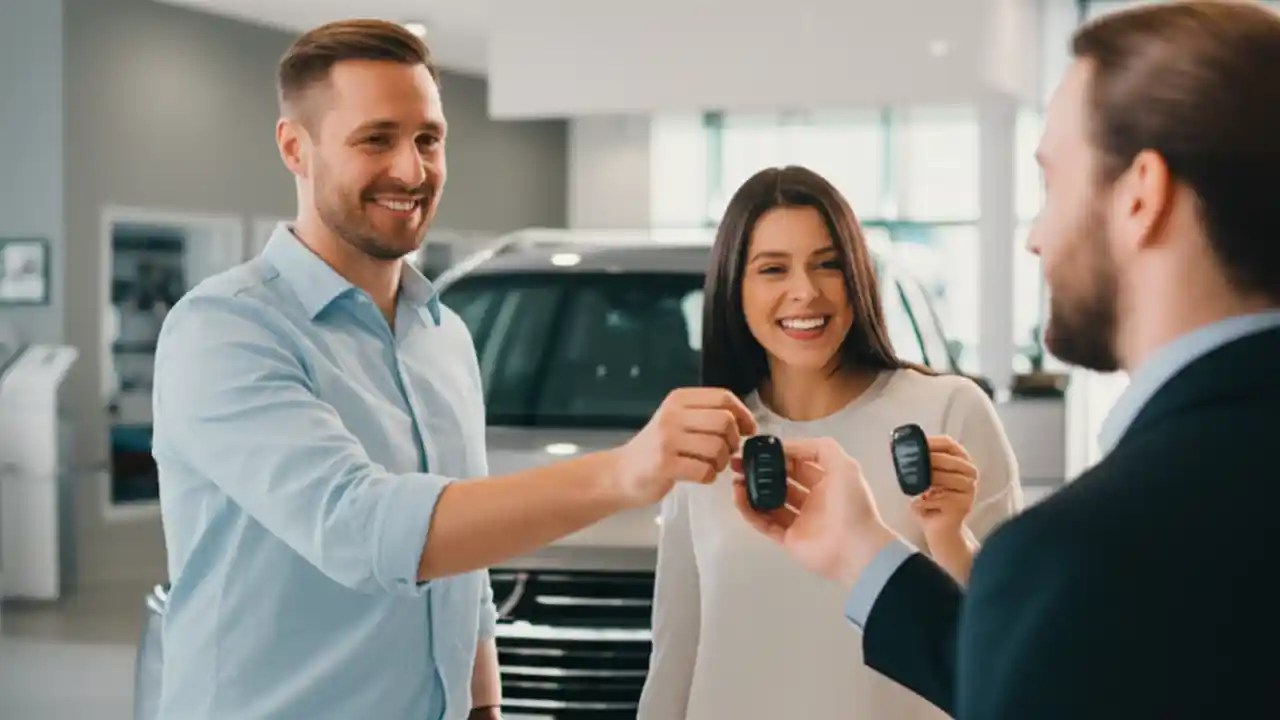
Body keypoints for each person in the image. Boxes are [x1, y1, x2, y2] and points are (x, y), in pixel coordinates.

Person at [150, 20, 756, 720]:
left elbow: (463, 571)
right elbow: (363, 528)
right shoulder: (226, 330)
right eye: (376, 138)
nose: (411, 171)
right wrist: (626, 471)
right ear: (296, 147)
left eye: (428, 139)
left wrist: (481, 702)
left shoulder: (445, 338)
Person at [732, 3, 1280, 718]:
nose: (1037, 238)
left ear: (1141, 195)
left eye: (1052, 185)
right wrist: (860, 549)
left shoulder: (1084, 558)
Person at [637, 166, 1024, 719]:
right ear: (734, 289)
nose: (806, 291)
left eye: (828, 265)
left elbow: (1010, 637)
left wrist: (949, 538)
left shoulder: (947, 411)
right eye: (773, 269)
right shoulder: (709, 440)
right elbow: (675, 656)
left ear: (858, 276)